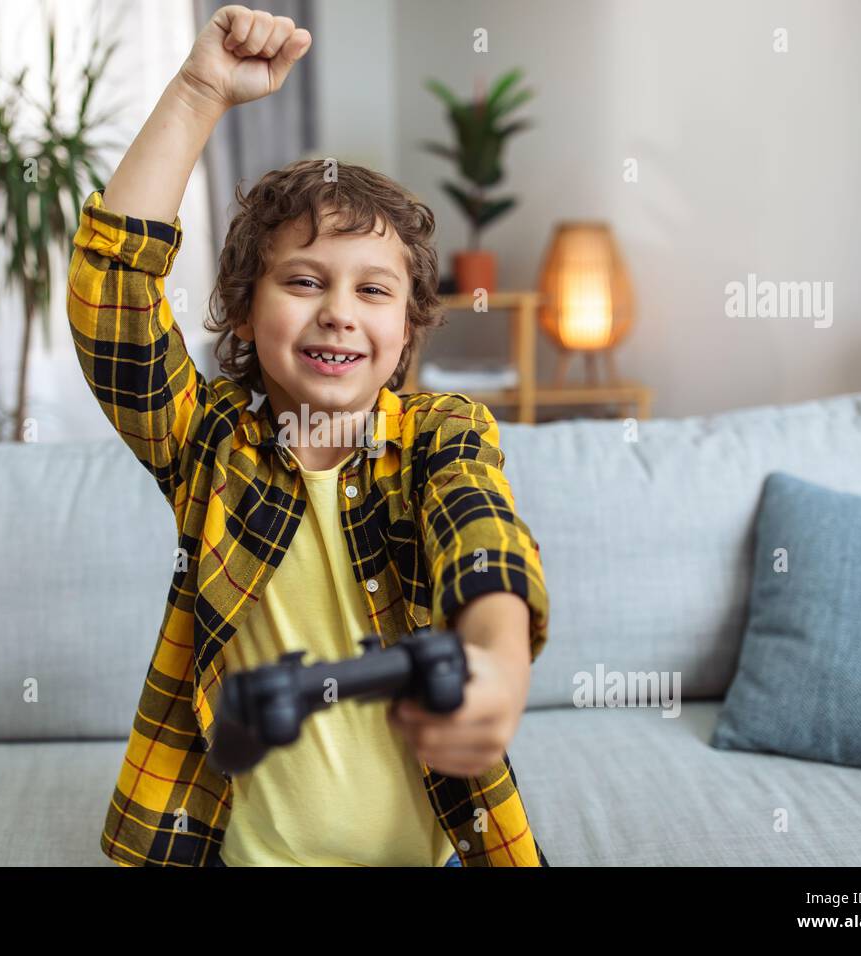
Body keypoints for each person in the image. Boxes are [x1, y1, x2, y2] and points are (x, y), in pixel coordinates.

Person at [67, 4, 550, 867]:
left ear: (408, 328)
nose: (338, 310)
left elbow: (485, 538)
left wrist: (500, 663)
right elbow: (113, 298)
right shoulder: (209, 443)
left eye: (374, 291)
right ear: (246, 317)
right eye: (303, 280)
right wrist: (198, 90)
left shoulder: (443, 433)